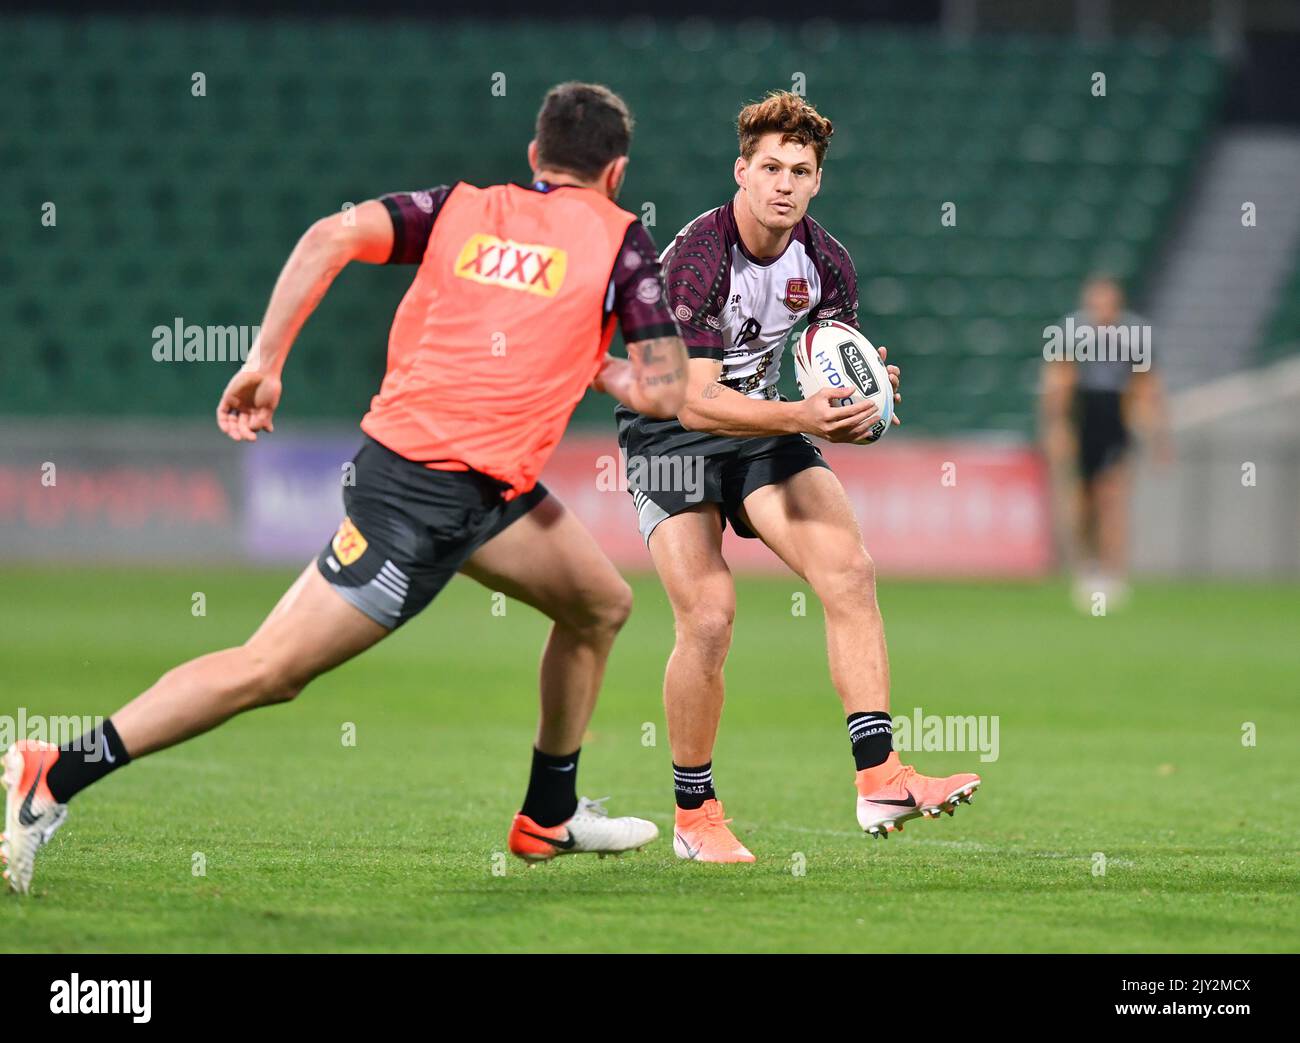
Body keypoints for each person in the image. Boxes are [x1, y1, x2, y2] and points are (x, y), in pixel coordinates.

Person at [2, 82, 689, 894]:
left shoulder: (460, 207)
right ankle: (53, 773)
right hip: (421, 503)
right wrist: (600, 363)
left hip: (481, 485)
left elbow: (332, 235)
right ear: (617, 173)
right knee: (269, 670)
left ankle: (549, 813)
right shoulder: (621, 240)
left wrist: (265, 360)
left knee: (597, 604)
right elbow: (667, 391)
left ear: (535, 158)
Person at [616, 91, 981, 862]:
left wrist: (866, 394)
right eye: (771, 166)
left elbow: (831, 357)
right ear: (740, 171)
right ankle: (695, 815)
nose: (784, 182)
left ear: (817, 182)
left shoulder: (827, 263)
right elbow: (695, 400)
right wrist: (804, 415)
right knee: (709, 617)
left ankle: (880, 776)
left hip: (758, 421)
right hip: (671, 432)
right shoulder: (696, 259)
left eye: (801, 169)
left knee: (850, 570)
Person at [1040, 273, 1170, 610]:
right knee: (1082, 501)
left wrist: (1157, 435)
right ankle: (1087, 569)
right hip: (1083, 419)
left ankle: (1114, 575)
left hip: (1114, 420)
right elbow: (1057, 386)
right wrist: (1057, 429)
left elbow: (1147, 386)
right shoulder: (1070, 333)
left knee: (1112, 497)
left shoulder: (1136, 335)